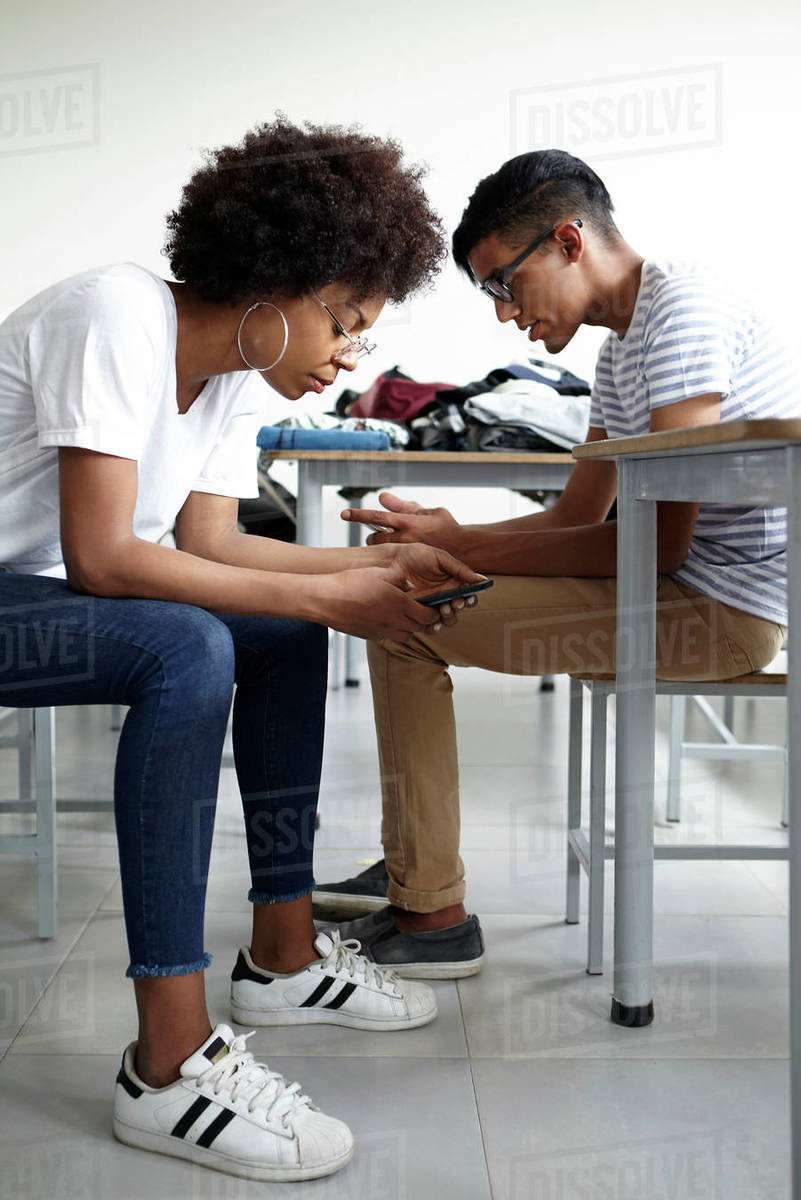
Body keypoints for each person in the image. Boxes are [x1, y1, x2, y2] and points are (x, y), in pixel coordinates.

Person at [0, 117, 486, 1183]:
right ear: (280, 281)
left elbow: (213, 544)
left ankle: (283, 952)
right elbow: (102, 557)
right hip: (25, 591)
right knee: (185, 646)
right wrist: (333, 597)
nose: (351, 353)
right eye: (345, 320)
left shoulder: (233, 377)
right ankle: (166, 1065)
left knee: (270, 630)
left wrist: (386, 568)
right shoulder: (114, 314)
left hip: (31, 593)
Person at [317, 147, 796, 978]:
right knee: (409, 592)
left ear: (569, 241)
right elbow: (580, 519)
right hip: (672, 587)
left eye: (503, 283)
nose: (504, 315)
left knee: (403, 626)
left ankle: (431, 914)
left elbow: (657, 543)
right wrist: (451, 539)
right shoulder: (621, 350)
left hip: (719, 614)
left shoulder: (683, 311)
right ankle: (414, 859)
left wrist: (457, 543)